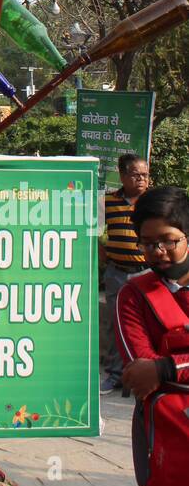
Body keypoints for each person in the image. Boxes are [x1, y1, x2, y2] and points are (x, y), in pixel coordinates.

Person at [115, 185, 189, 486]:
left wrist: (166, 366)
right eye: (148, 243)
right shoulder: (133, 295)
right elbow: (136, 371)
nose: (158, 251)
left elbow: (153, 368)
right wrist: (156, 370)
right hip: (169, 448)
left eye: (168, 241)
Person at [101, 152, 151, 393]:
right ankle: (116, 375)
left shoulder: (153, 201)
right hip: (117, 273)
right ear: (122, 176)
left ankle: (147, 375)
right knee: (115, 323)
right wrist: (106, 257)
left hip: (148, 272)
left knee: (147, 324)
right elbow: (94, 232)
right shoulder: (108, 201)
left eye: (145, 175)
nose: (141, 179)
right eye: (136, 175)